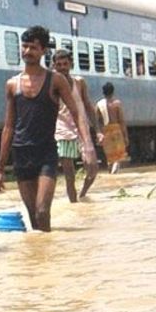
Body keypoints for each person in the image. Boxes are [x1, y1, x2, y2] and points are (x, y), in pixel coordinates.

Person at [0, 26, 92, 231]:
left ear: (43, 51)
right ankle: (41, 256)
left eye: (34, 48)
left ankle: (50, 256)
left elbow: (77, 113)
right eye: (25, 47)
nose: (28, 51)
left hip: (46, 152)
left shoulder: (55, 80)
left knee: (42, 211)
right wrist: (0, 169)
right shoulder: (12, 84)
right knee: (33, 217)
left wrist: (88, 145)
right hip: (21, 153)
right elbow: (9, 126)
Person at [51, 49, 102, 203]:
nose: (62, 67)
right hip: (63, 131)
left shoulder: (79, 82)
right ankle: (74, 204)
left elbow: (88, 105)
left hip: (82, 129)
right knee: (69, 175)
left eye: (65, 64)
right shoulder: (52, 85)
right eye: (58, 64)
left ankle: (83, 194)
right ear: (54, 66)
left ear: (71, 64)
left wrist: (98, 130)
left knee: (92, 167)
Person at [96, 82, 130, 174]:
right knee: (118, 155)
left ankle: (110, 171)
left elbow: (97, 121)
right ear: (113, 92)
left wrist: (99, 133)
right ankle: (115, 171)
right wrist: (125, 136)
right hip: (116, 131)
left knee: (109, 156)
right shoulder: (117, 104)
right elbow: (121, 121)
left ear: (103, 92)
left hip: (106, 130)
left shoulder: (99, 104)